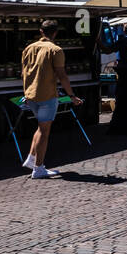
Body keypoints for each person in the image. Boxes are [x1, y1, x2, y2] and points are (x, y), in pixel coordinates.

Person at [20, 19, 83, 179]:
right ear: (55, 33)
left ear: (41, 31)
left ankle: (31, 158)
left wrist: (26, 93)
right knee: (44, 130)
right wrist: (72, 96)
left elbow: (24, 73)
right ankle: (38, 168)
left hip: (30, 95)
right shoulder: (55, 50)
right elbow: (62, 75)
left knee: (41, 127)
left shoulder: (28, 48)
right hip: (47, 94)